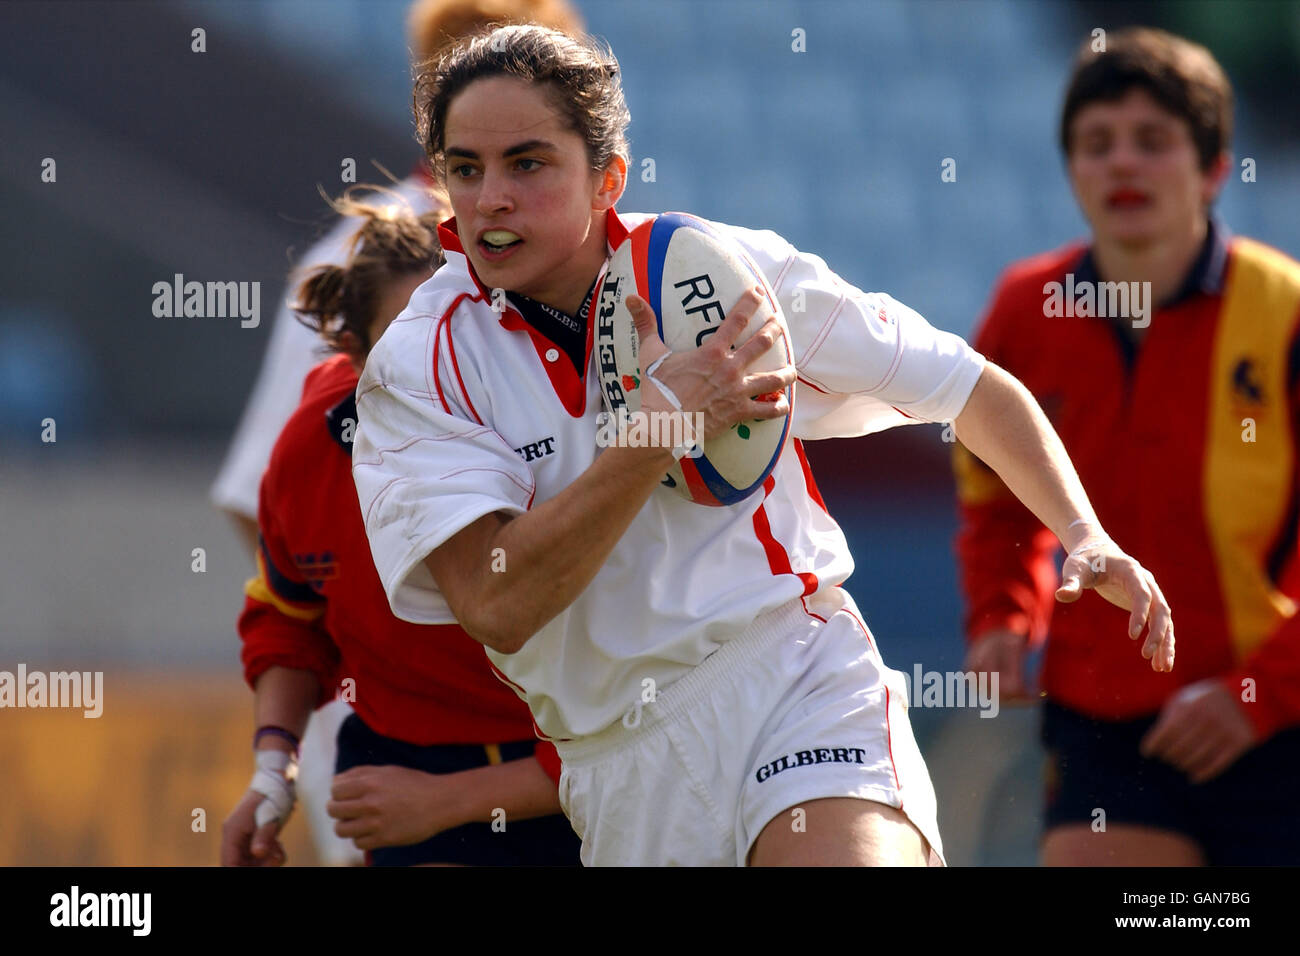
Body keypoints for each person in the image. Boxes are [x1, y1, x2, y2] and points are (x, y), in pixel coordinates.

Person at [351, 24, 1175, 867]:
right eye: (465, 168)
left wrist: (1085, 534)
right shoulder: (416, 364)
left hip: (794, 676)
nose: (490, 197)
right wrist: (661, 429)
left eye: (527, 164)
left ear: (607, 180)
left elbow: (969, 389)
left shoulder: (723, 280)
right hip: (616, 767)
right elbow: (497, 604)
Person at [208, 0, 583, 866]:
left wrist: (452, 799)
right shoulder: (313, 440)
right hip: (399, 766)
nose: (438, 375)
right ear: (349, 351)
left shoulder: (595, 388)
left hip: (572, 781)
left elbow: (651, 722)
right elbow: (287, 592)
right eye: (402, 356)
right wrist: (282, 761)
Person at [953, 27, 1300, 866]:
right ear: (1071, 170)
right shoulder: (1025, 310)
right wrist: (1004, 615)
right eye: (1096, 144)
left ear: (1215, 168)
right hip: (1103, 717)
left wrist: (1257, 696)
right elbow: (996, 495)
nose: (1122, 165)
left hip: (1277, 708)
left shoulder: (1284, 310)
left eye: (1153, 142)